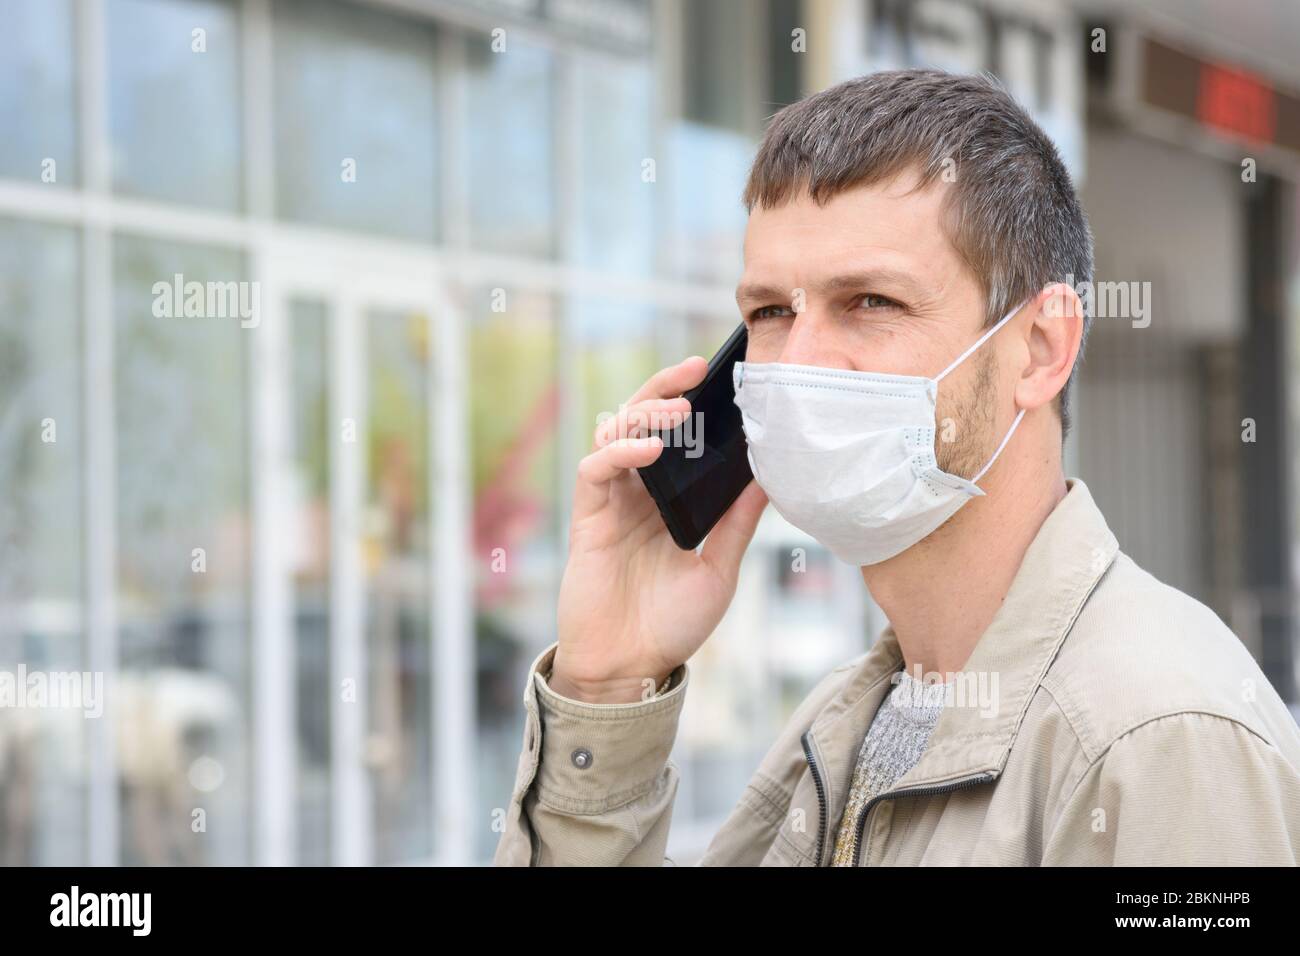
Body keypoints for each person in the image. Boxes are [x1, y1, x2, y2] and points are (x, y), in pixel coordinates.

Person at [493, 68, 1300, 866]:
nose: (802, 363)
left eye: (871, 302)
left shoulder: (1161, 741)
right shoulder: (851, 718)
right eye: (770, 312)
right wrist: (607, 684)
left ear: (1042, 348)